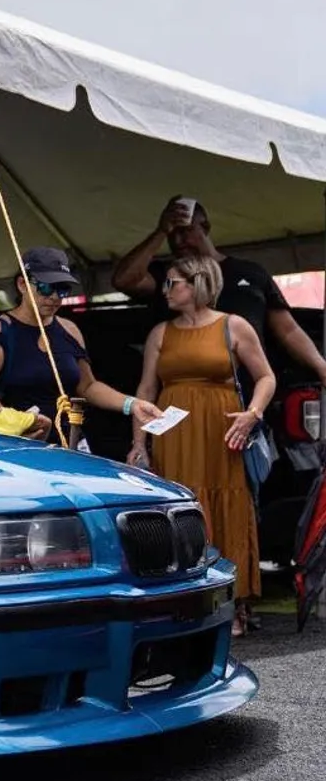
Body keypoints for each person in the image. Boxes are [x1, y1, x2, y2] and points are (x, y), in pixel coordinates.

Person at [129, 255, 276, 637]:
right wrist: (138, 444)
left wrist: (253, 414)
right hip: (174, 434)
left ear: (198, 284)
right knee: (179, 510)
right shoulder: (161, 332)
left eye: (172, 283)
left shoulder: (233, 326)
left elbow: (265, 378)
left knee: (228, 506)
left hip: (223, 431)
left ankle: (234, 603)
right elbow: (147, 390)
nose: (165, 290)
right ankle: (184, 602)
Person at [112, 195, 326, 387]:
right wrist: (160, 231)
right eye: (172, 234)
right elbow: (124, 280)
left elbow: (287, 329)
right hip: (185, 396)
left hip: (247, 396)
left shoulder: (251, 272)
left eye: (185, 232)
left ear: (205, 227)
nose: (178, 241)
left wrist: (320, 365)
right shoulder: (168, 275)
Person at [0, 247, 164, 445]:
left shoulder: (69, 329)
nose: (55, 297)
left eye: (62, 288)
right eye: (46, 287)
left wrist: (132, 404)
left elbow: (88, 386)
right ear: (22, 284)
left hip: (69, 442)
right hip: (18, 444)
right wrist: (17, 425)